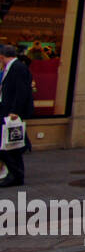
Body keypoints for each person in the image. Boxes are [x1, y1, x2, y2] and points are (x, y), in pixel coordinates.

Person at [0, 44, 34, 187]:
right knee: (11, 145)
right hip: (6, 110)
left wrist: (15, 111)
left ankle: (15, 175)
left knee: (7, 145)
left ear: (2, 56)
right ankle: (16, 175)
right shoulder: (11, 68)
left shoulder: (18, 68)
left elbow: (22, 91)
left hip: (11, 113)